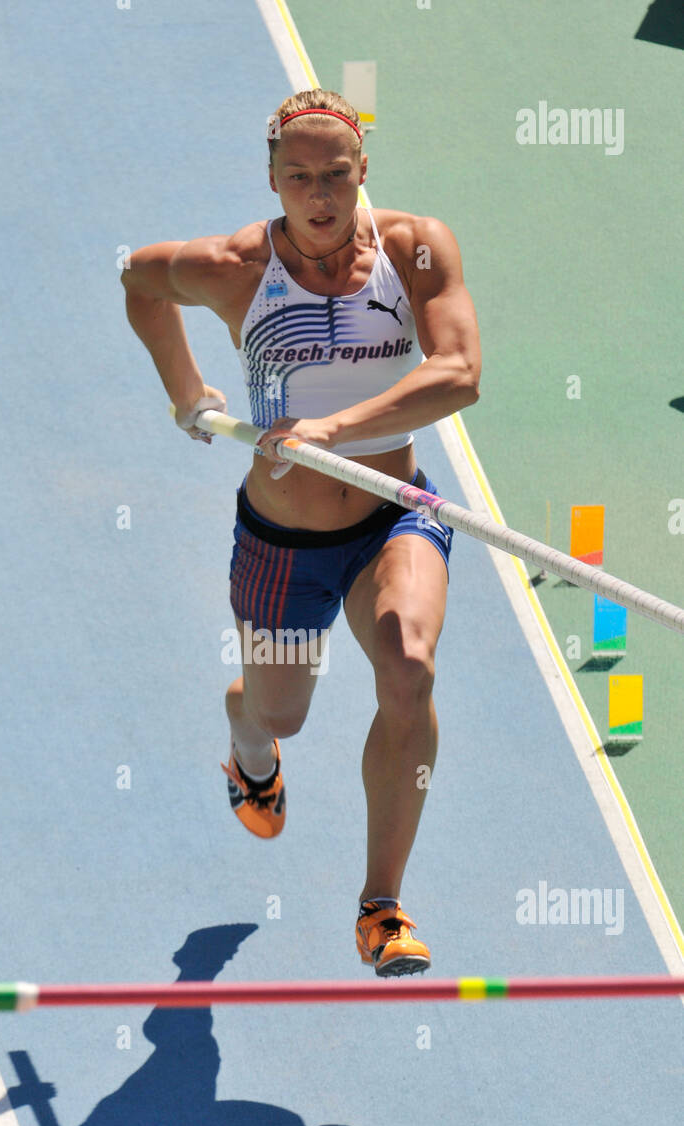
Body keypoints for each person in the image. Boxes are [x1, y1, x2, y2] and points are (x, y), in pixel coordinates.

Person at [121, 89, 481, 977]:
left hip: (398, 511)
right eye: (299, 178)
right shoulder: (234, 266)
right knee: (282, 708)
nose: (319, 196)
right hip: (285, 543)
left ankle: (382, 909)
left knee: (409, 665)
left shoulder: (415, 248)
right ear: (272, 180)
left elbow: (460, 374)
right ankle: (250, 747)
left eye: (336, 175)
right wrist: (186, 389)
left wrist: (334, 428)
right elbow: (138, 280)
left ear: (364, 172)